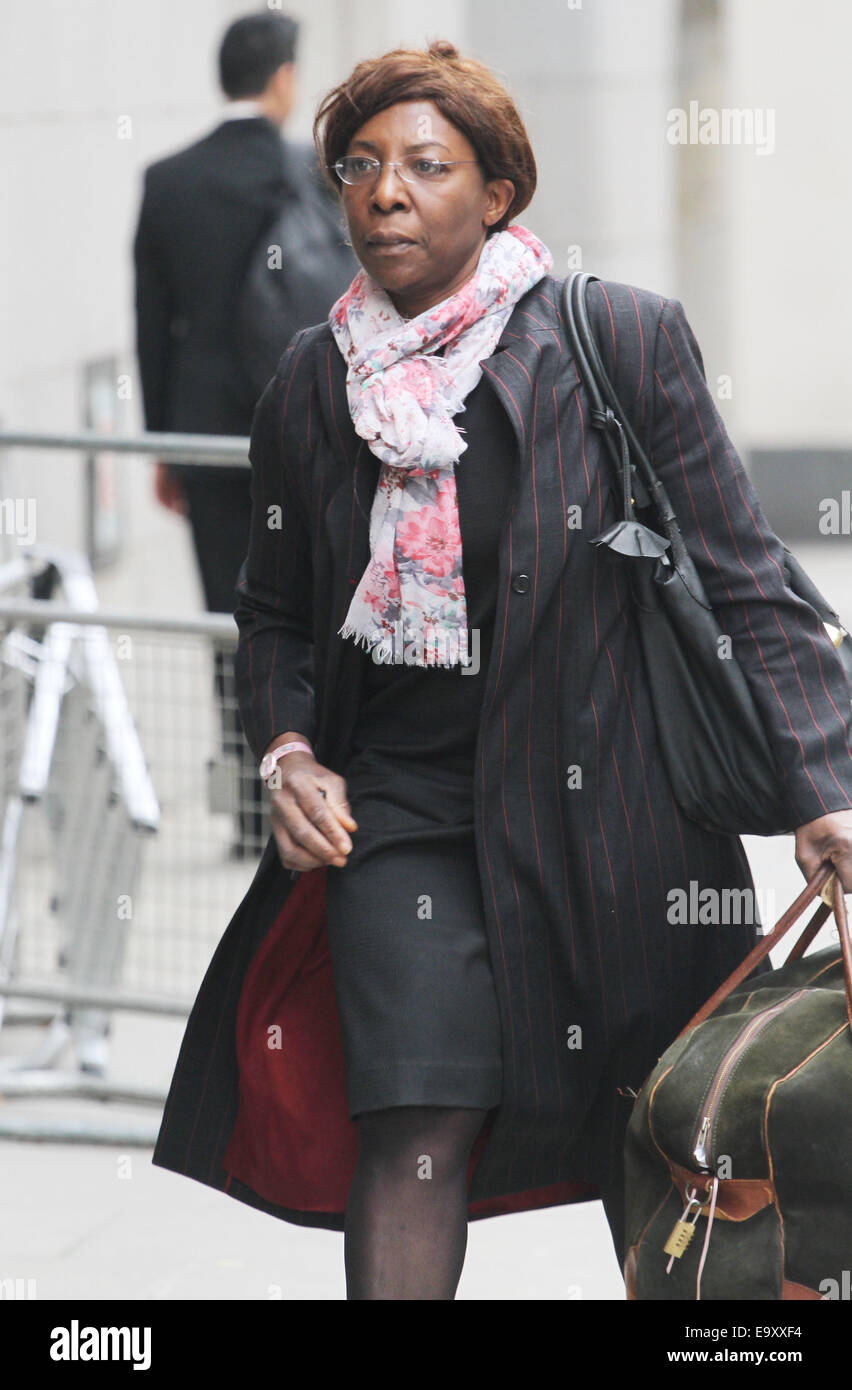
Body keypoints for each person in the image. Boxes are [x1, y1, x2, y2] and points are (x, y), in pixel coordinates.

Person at [152, 39, 852, 1299]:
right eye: (359, 167)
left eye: (426, 166)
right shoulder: (312, 385)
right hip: (405, 820)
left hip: (622, 821)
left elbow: (746, 575)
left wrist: (825, 790)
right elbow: (271, 614)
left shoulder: (617, 344)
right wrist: (289, 748)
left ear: (499, 194)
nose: (385, 192)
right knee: (411, 1130)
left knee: (664, 1140)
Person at [133, 10, 313, 856]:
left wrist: (162, 448)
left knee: (224, 617)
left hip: (206, 438)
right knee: (303, 614)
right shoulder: (308, 172)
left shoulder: (169, 180)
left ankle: (247, 813)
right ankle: (305, 793)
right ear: (283, 76)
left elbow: (151, 326)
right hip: (305, 428)